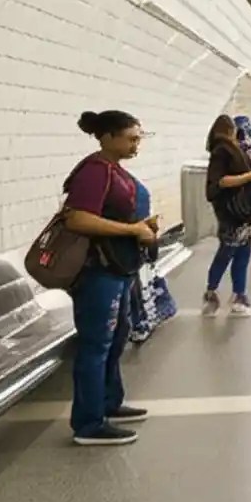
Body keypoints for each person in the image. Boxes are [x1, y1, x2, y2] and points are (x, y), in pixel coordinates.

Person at [61, 110, 157, 446]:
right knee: (96, 343)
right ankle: (88, 424)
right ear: (108, 138)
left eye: (139, 137)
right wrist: (131, 229)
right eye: (131, 137)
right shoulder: (94, 172)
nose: (136, 144)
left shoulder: (114, 171)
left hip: (117, 268)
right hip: (96, 271)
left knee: (117, 337)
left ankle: (108, 402)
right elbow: (76, 219)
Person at [203, 114, 251, 316]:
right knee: (228, 252)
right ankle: (212, 292)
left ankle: (239, 294)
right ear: (230, 131)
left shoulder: (231, 149)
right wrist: (249, 176)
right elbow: (220, 181)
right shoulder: (222, 151)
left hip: (239, 212)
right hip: (231, 211)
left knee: (241, 252)